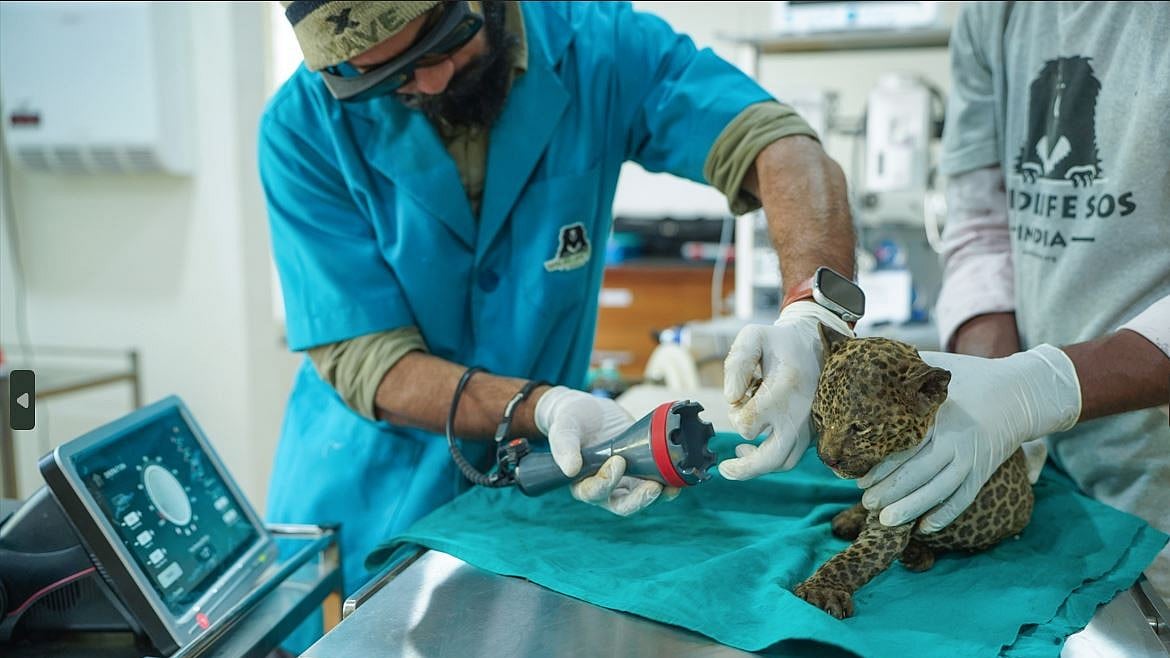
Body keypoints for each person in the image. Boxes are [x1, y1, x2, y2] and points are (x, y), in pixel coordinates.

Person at [260, 0, 855, 601]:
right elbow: (371, 361)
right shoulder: (300, 131)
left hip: (540, 490)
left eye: (443, 41)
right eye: (387, 79)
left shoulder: (599, 47)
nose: (432, 80)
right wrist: (538, 407)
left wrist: (813, 313)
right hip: (366, 492)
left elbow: (778, 145)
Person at [724, 1, 1170, 600]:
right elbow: (984, 229)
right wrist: (988, 384)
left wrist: (1044, 388)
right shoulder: (996, 14)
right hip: (1049, 473)